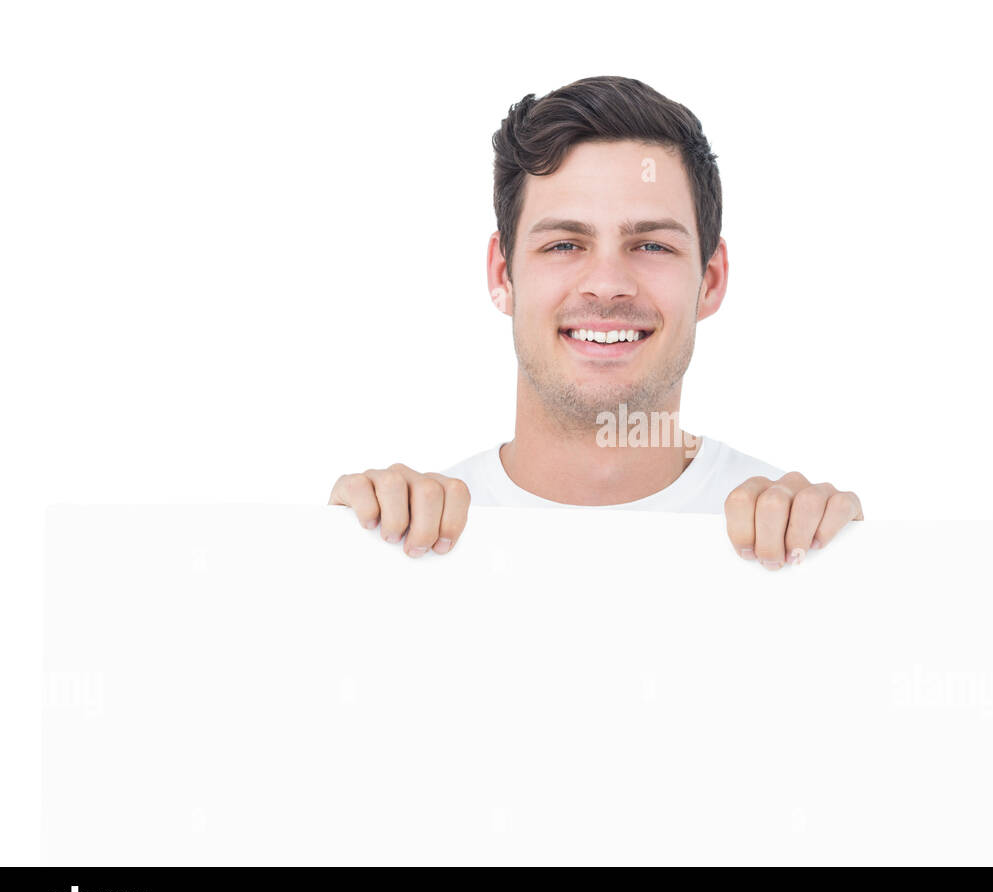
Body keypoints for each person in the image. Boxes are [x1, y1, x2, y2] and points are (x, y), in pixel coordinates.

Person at [328, 76, 862, 571]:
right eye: (564, 244)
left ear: (711, 279)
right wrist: (335, 550)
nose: (607, 284)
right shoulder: (398, 545)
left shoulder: (804, 542)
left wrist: (851, 565)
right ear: (502, 273)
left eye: (652, 244)